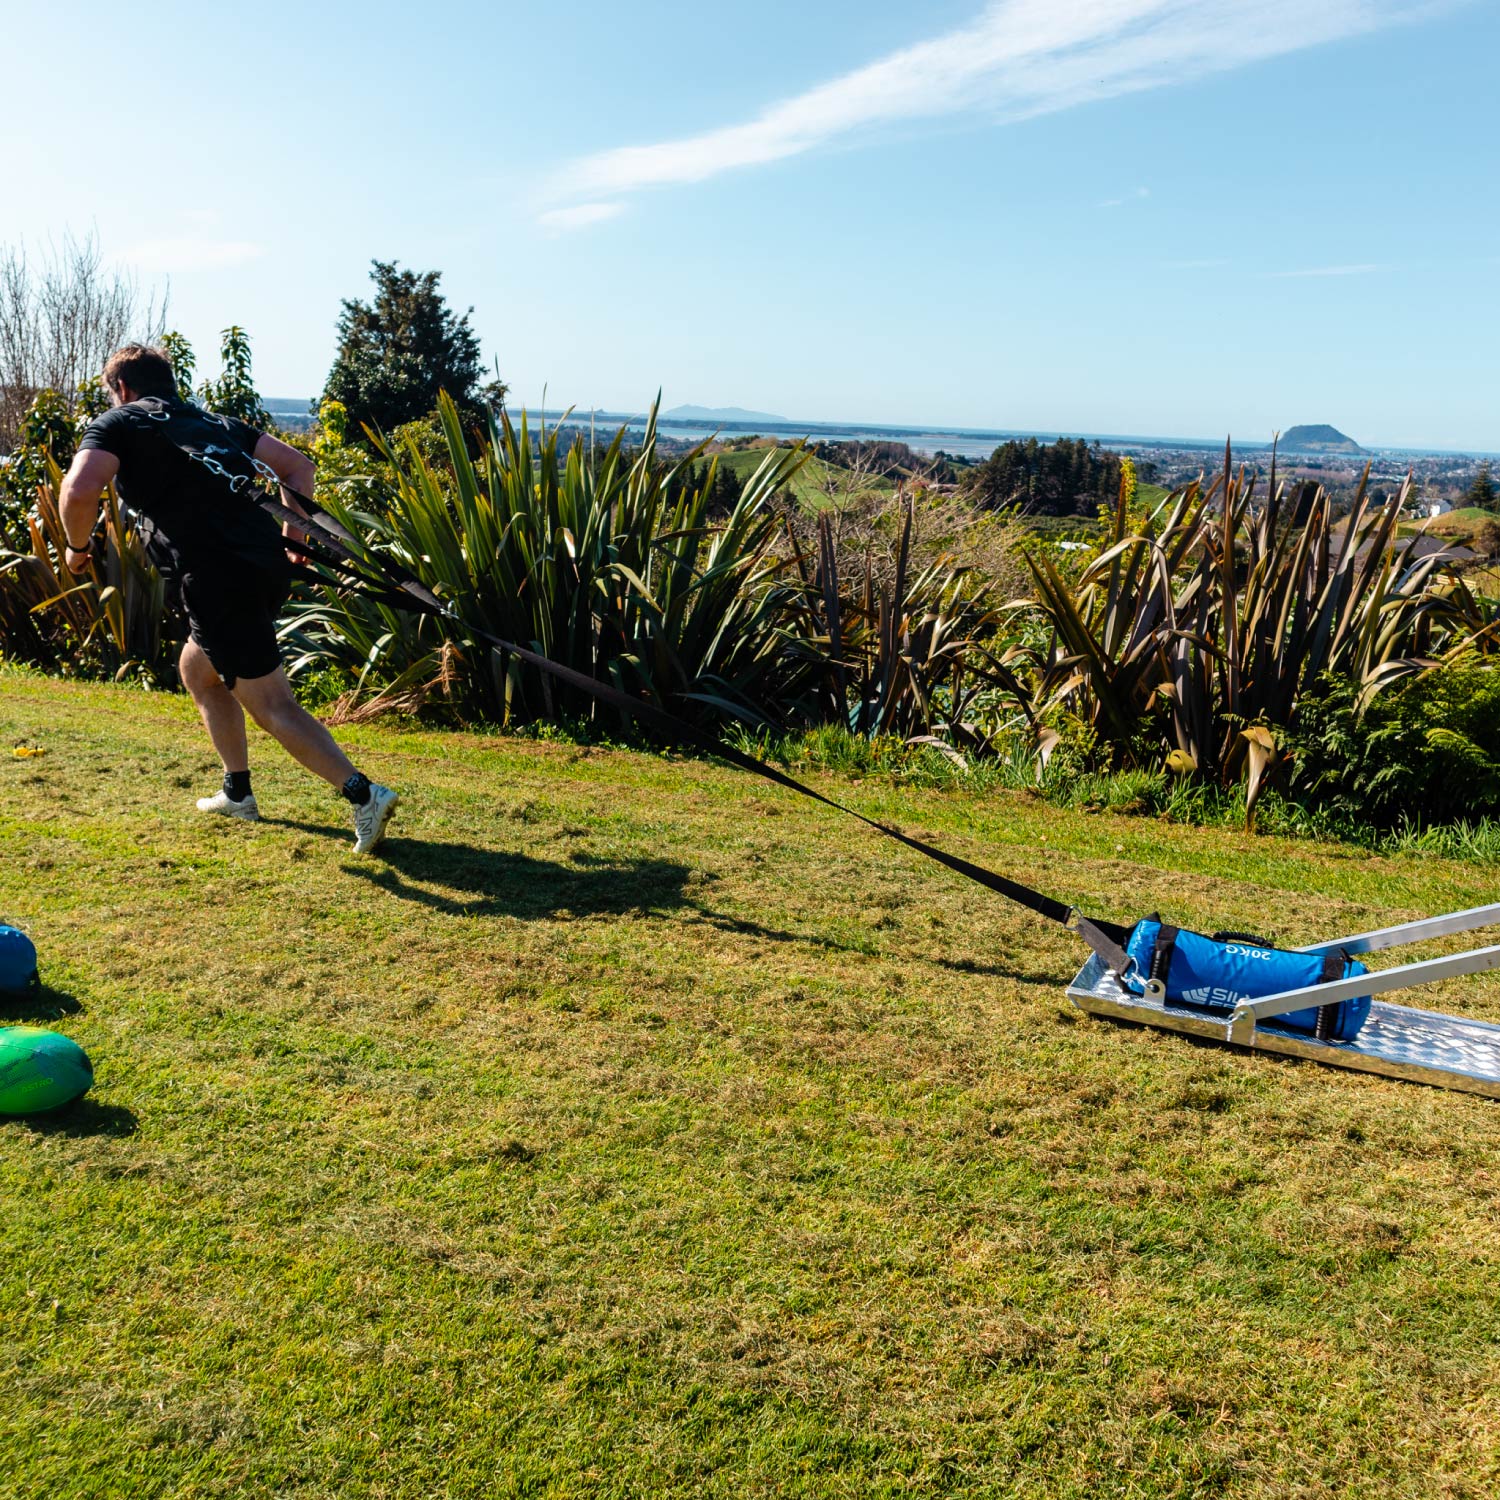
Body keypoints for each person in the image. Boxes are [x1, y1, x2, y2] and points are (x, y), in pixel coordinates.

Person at [58, 344, 399, 854]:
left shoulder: (119, 422)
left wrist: (77, 548)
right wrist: (297, 541)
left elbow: (79, 491)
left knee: (272, 704)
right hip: (263, 563)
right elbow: (298, 467)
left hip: (217, 579)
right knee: (198, 670)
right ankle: (237, 793)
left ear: (122, 389)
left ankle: (363, 793)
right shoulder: (214, 422)